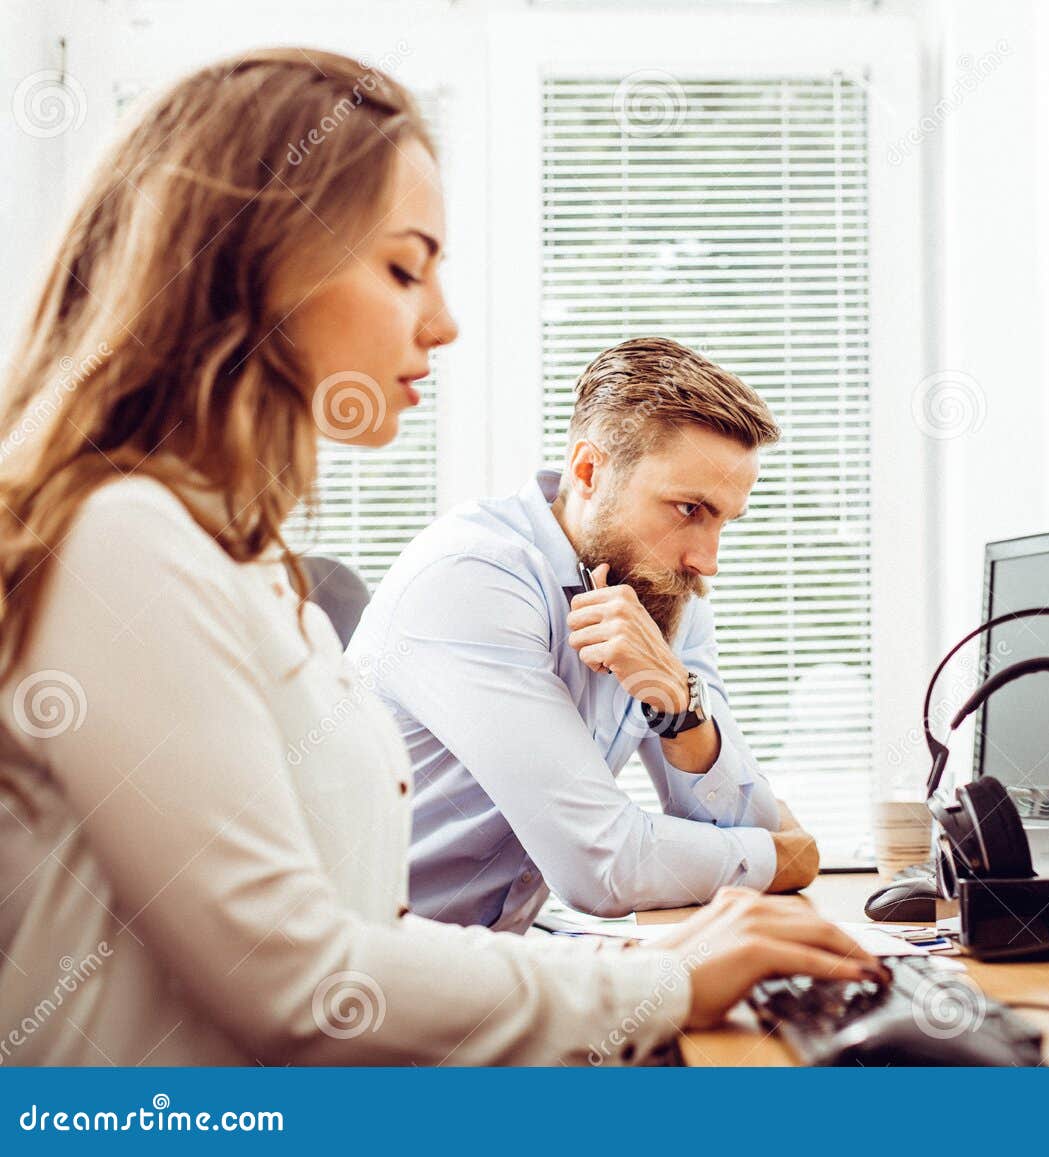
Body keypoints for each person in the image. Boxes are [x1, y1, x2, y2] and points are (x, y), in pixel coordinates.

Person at [0, 48, 877, 1067]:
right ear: (253, 265)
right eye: (404, 266)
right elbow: (301, 980)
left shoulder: (237, 558)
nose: (444, 318)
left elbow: (353, 934)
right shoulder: (125, 539)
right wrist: (664, 976)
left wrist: (657, 958)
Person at [349, 338, 820, 927]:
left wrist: (682, 710)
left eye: (724, 518)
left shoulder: (665, 587)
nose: (708, 559)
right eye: (688, 509)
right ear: (589, 470)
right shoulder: (473, 578)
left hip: (503, 957)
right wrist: (782, 859)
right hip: (369, 978)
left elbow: (743, 827)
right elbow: (602, 866)